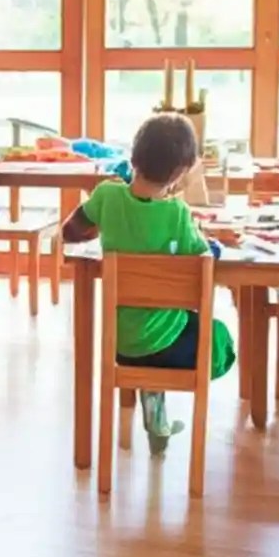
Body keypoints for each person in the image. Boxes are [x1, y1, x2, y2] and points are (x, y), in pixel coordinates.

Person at [62, 113, 236, 455]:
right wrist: (215, 244)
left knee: (155, 326)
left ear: (133, 157)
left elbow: (70, 232)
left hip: (123, 344)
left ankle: (155, 412)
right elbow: (204, 258)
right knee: (217, 337)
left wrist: (108, 225)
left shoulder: (106, 196)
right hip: (170, 348)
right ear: (179, 173)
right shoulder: (178, 215)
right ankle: (155, 406)